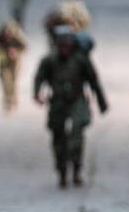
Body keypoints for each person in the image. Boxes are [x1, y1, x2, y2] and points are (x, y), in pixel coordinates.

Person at [33, 26, 108, 188]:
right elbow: (39, 78)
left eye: (68, 45)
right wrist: (37, 94)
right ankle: (62, 171)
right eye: (62, 45)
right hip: (58, 101)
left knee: (76, 135)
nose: (65, 49)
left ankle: (76, 170)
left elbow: (94, 81)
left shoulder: (81, 60)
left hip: (77, 100)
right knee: (58, 138)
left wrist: (102, 103)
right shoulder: (49, 60)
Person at [0, 19, 27, 113]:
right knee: (4, 79)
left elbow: (25, 47)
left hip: (15, 61)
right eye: (6, 34)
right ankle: (7, 99)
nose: (7, 36)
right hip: (3, 59)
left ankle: (13, 97)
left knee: (13, 79)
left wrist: (16, 52)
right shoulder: (0, 35)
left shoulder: (18, 36)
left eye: (9, 34)